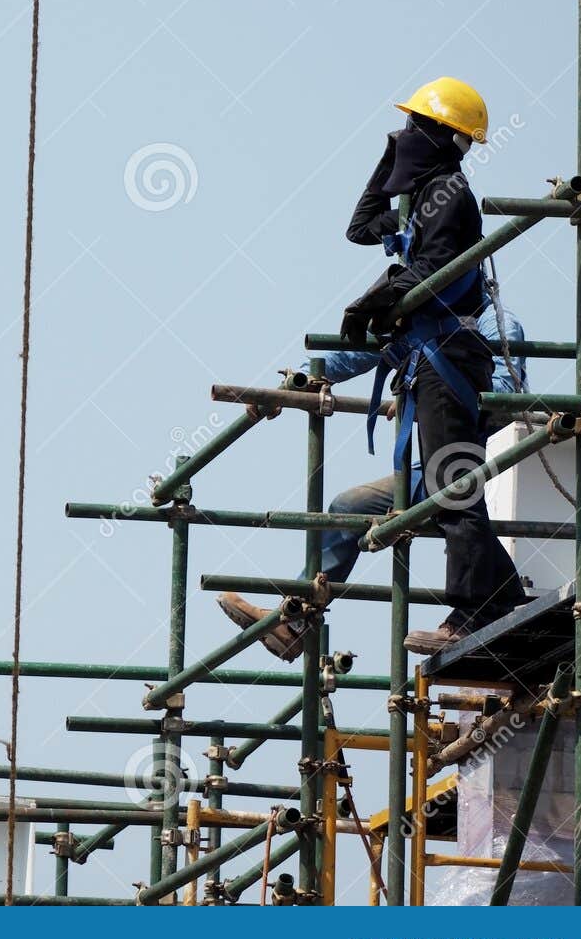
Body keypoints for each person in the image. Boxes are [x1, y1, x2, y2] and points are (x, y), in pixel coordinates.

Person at [219, 78, 528, 658]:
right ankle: (301, 620)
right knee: (362, 505)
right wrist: (312, 377)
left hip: (467, 436)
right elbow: (362, 231)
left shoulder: (483, 319)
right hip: (432, 427)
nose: (405, 137)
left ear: (441, 138)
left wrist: (389, 297)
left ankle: (475, 609)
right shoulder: (425, 295)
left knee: (455, 491)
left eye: (415, 129)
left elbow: (503, 398)